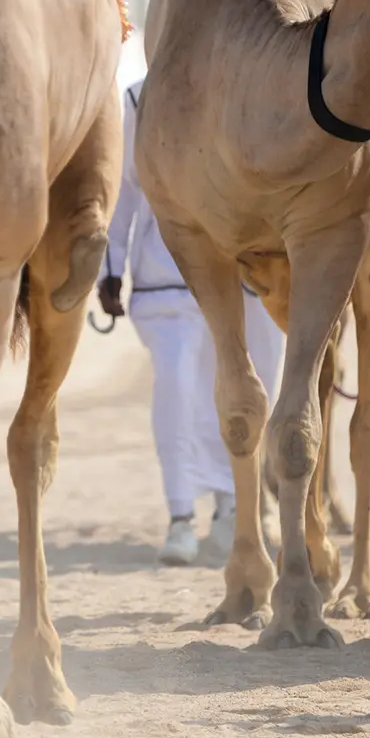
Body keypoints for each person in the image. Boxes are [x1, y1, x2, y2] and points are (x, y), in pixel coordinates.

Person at [100, 62, 284, 567]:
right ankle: (181, 515)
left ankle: (232, 506)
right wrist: (110, 265)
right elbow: (126, 191)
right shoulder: (140, 99)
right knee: (178, 388)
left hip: (249, 275)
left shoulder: (261, 86)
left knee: (251, 384)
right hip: (169, 280)